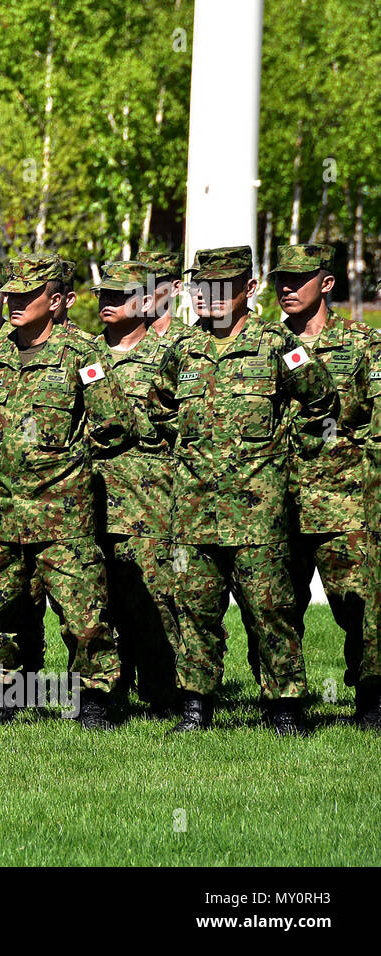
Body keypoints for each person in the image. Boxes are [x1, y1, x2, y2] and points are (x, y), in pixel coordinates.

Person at [158, 246, 338, 735]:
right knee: (194, 608)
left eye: (221, 286)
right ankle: (195, 705)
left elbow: (322, 398)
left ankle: (284, 708)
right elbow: (157, 407)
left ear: (248, 290)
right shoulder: (181, 349)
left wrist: (283, 454)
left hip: (258, 510)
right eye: (200, 286)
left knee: (271, 611)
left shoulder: (277, 344)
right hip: (193, 510)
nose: (207, 296)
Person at [0, 252, 137, 730]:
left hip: (64, 512)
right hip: (1, 508)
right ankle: (0, 702)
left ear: (58, 300)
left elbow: (115, 424)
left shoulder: (83, 355)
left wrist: (70, 460)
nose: (13, 302)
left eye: (27, 295)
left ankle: (94, 703)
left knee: (83, 615)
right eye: (11, 294)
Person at [273, 243, 380, 722]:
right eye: (281, 280)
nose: (288, 288)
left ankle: (372, 697)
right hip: (274, 501)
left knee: (357, 607)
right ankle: (285, 704)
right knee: (275, 609)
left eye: (299, 280)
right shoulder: (262, 344)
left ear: (327, 284)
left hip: (343, 501)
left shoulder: (362, 344)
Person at [90, 261, 180, 713]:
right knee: (96, 605)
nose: (107, 304)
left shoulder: (170, 355)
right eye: (102, 296)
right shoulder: (81, 356)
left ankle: (165, 694)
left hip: (150, 503)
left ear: (146, 302)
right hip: (87, 500)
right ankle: (104, 696)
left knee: (154, 603)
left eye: (118, 296)